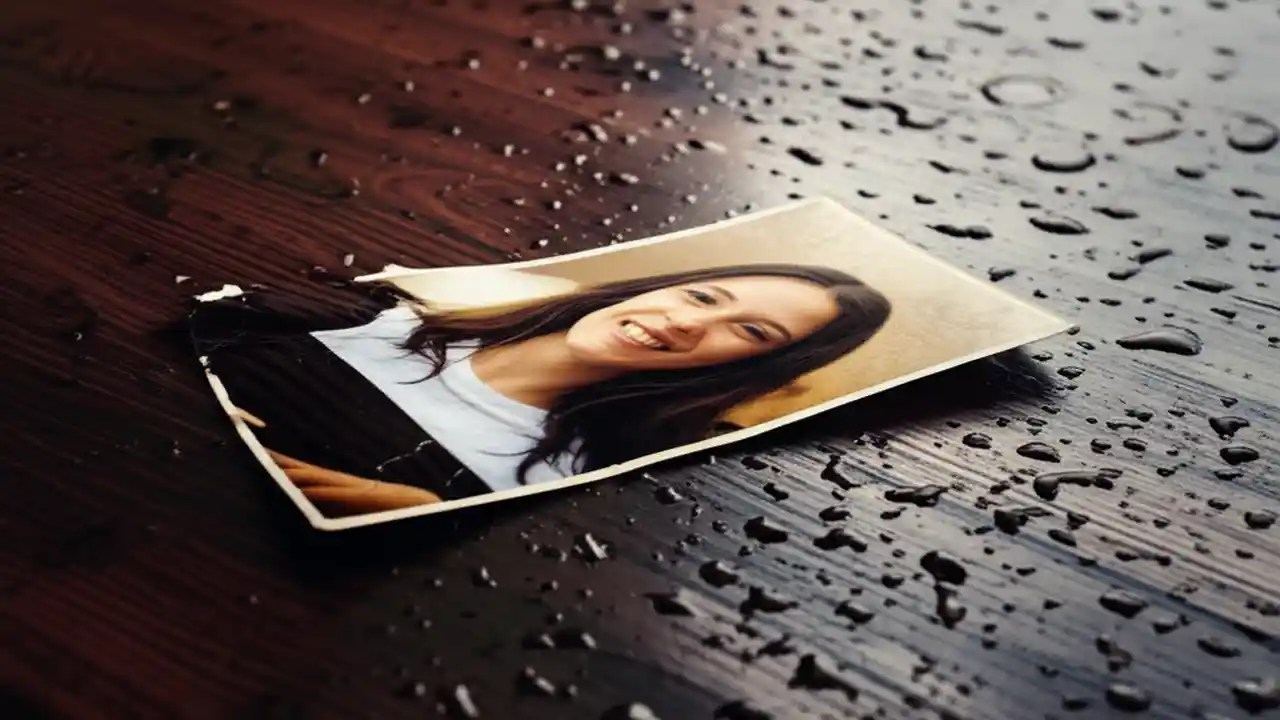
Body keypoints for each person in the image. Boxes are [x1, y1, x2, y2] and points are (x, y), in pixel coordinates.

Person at [191, 264, 891, 517]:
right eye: (702, 294)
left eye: (752, 332)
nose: (682, 322)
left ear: (755, 372)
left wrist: (430, 511)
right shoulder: (370, 315)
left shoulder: (588, 480)